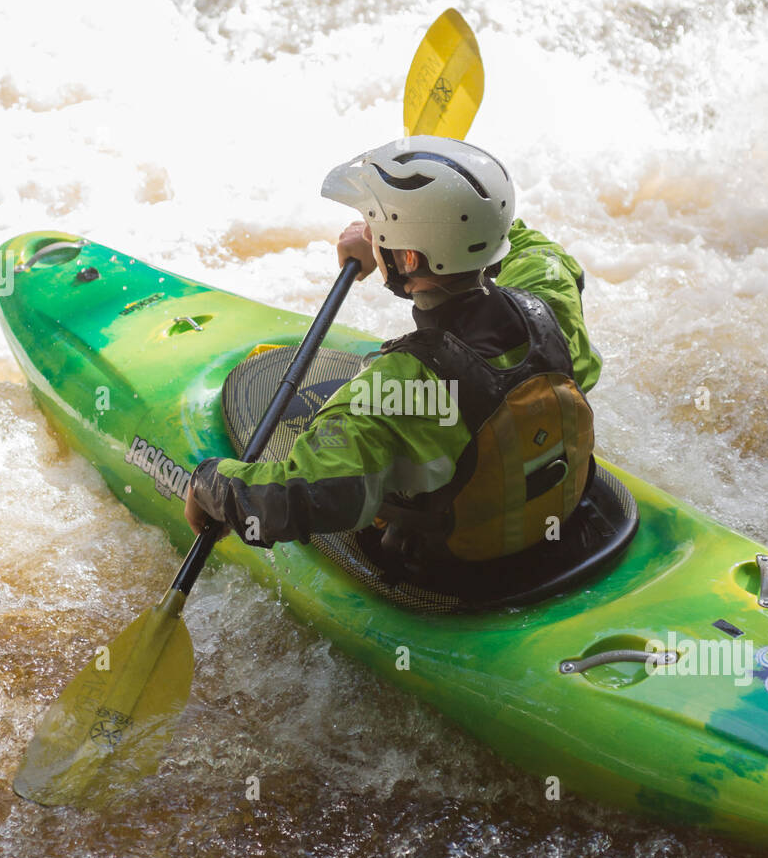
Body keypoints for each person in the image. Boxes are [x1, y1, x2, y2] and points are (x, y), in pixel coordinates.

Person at [185, 136, 601, 583]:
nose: (365, 233)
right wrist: (402, 238)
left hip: (454, 566)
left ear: (406, 257)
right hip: (553, 532)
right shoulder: (549, 303)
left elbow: (299, 497)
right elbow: (531, 247)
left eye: (373, 228)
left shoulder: (397, 390)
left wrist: (213, 485)